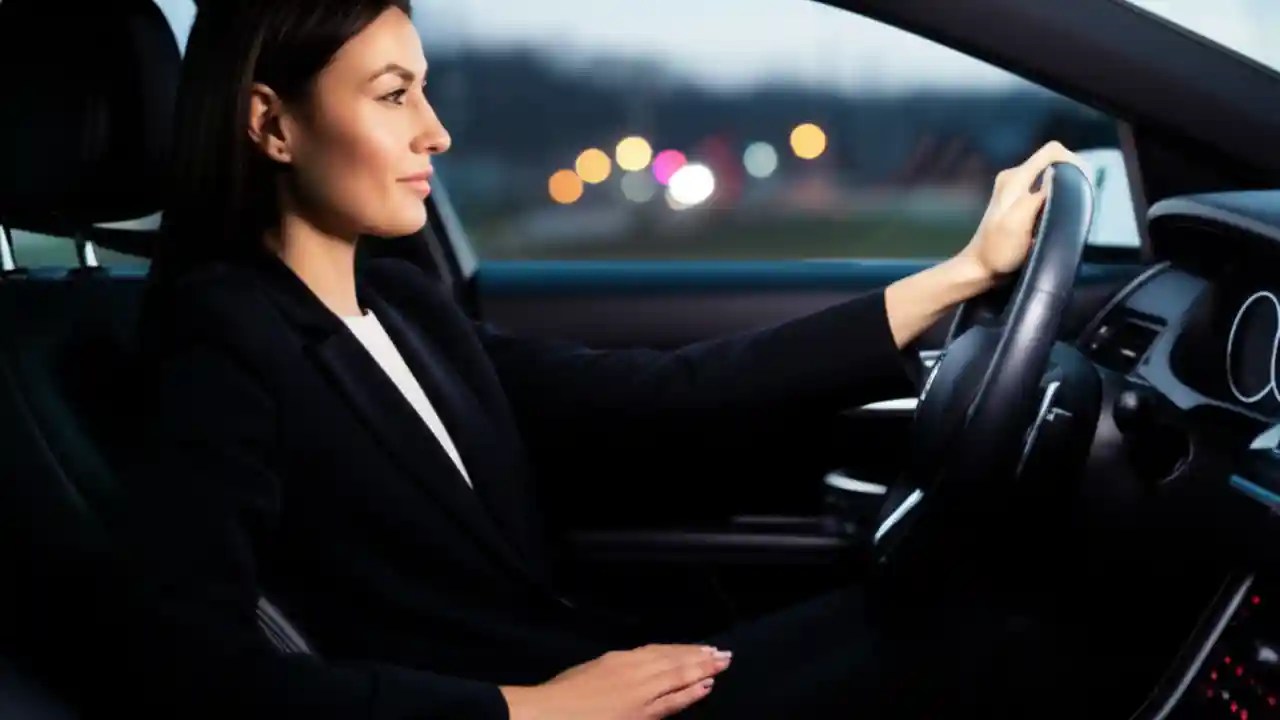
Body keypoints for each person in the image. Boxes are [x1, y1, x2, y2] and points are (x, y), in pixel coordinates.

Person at [112, 1, 1088, 718]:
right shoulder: (218, 342)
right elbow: (193, 675)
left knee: (978, 613)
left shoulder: (404, 306)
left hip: (591, 663)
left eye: (425, 89)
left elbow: (658, 399)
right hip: (534, 704)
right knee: (998, 637)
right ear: (271, 124)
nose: (435, 131)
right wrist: (530, 710)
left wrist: (958, 278)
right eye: (393, 95)